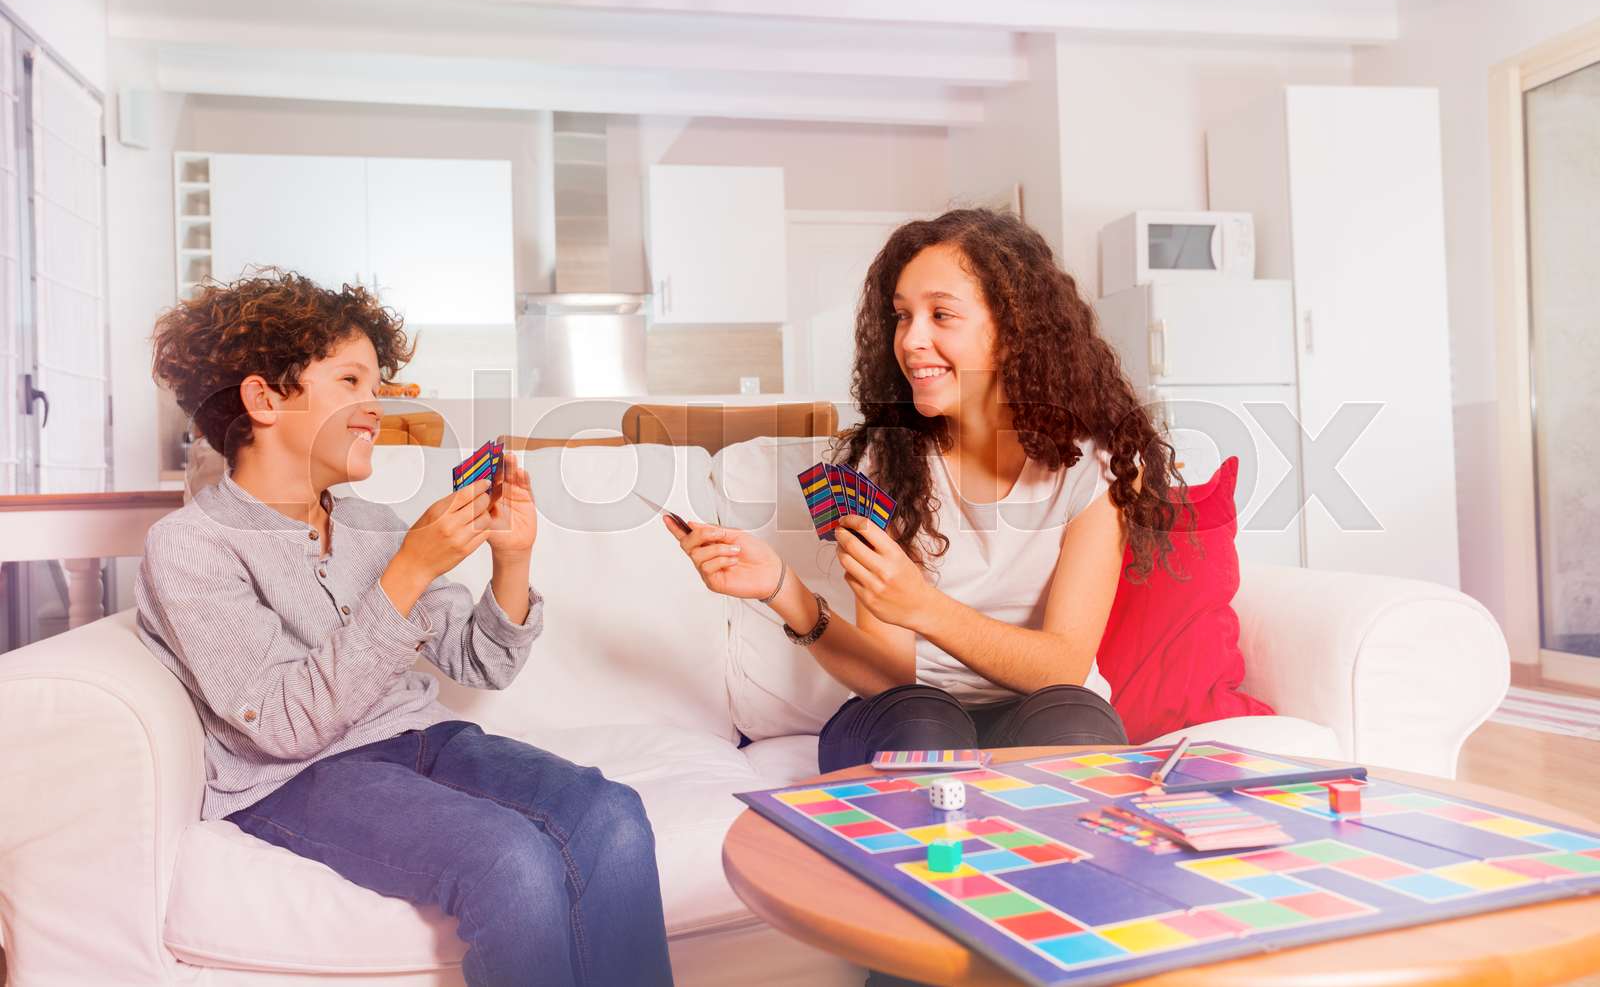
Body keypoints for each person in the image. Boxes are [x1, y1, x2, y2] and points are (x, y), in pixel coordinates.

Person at [137, 270, 674, 987]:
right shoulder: (193, 545)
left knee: (613, 815)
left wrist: (511, 560)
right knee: (510, 860)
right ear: (265, 398)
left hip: (423, 741)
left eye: (377, 385)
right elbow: (284, 725)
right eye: (352, 381)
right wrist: (407, 574)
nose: (376, 407)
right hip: (298, 778)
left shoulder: (370, 523)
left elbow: (482, 662)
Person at [667, 209, 1193, 772]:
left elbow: (1063, 666)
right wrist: (780, 589)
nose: (912, 340)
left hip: (1038, 709)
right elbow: (889, 675)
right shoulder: (874, 461)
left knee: (1077, 720)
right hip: (907, 712)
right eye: (901, 316)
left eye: (941, 315)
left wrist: (925, 608)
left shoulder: (1099, 466)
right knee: (926, 723)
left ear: (1014, 330)